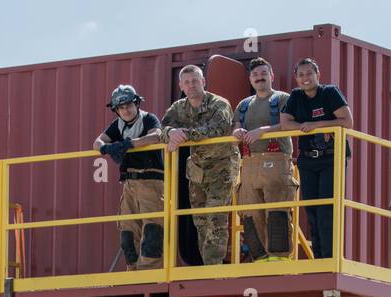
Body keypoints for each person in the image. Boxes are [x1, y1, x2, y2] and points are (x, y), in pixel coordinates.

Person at [160, 64, 241, 266]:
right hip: (197, 171)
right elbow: (162, 128)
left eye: (195, 80)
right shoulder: (178, 108)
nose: (191, 85)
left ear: (203, 82)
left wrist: (184, 135)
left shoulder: (219, 104)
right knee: (199, 220)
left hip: (221, 167)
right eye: (186, 82)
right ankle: (207, 265)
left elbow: (218, 129)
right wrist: (171, 133)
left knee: (215, 216)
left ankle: (213, 267)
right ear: (181, 85)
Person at [280, 57, 353, 259]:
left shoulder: (329, 93)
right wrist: (304, 126)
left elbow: (347, 121)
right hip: (308, 160)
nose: (305, 78)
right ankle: (319, 258)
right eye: (301, 75)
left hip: (331, 159)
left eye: (309, 74)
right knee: (311, 210)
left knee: (325, 211)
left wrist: (317, 125)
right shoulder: (296, 96)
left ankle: (329, 258)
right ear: (296, 78)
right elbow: (285, 124)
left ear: (318, 75)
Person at [231, 57, 297, 261]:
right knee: (250, 212)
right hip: (249, 163)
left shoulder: (283, 98)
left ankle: (279, 258)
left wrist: (263, 131)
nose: (259, 78)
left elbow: (290, 124)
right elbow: (234, 128)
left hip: (275, 159)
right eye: (255, 75)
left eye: (263, 74)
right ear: (250, 79)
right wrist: (237, 132)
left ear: (271, 76)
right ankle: (260, 258)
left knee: (276, 209)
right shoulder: (243, 105)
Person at [94, 84, 164, 270]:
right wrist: (106, 148)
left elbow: (156, 136)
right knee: (127, 230)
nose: (126, 110)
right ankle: (133, 271)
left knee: (152, 229)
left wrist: (128, 144)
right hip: (129, 183)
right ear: (116, 110)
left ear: (137, 103)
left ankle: (150, 272)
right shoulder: (118, 125)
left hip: (151, 180)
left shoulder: (148, 119)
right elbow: (97, 142)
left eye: (129, 105)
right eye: (121, 107)